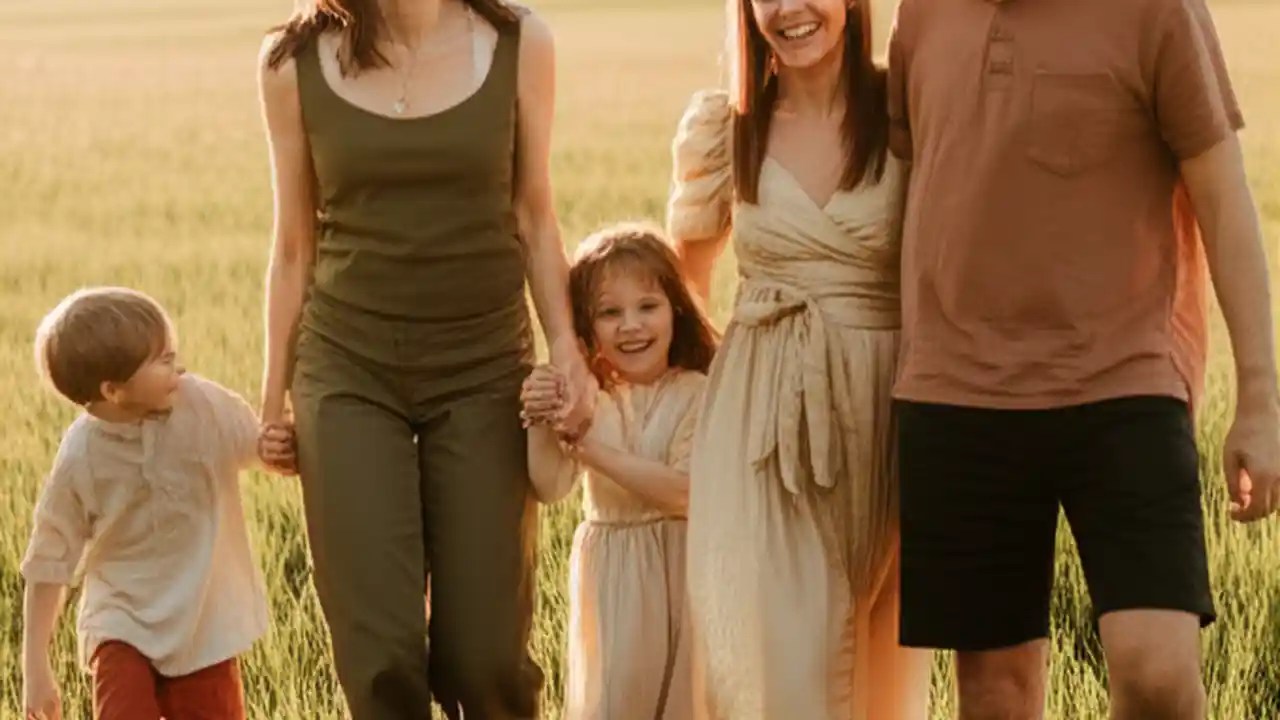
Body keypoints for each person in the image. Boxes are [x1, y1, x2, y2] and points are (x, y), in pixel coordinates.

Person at [886, 0, 1280, 717]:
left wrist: (1259, 399)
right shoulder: (920, 14)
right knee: (995, 696)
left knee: (1159, 679)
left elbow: (1225, 202)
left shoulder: (1160, 11)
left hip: (1125, 386)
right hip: (956, 397)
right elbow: (907, 187)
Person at [256, 0, 594, 716]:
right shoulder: (292, 63)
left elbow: (535, 215)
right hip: (347, 366)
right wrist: (272, 400)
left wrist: (565, 345)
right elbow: (292, 248)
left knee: (486, 657)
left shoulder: (519, 42)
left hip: (484, 365)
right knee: (380, 659)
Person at [665, 0, 932, 716]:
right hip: (761, 429)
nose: (790, 10)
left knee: (871, 673)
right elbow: (688, 288)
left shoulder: (904, 111)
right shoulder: (727, 128)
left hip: (884, 419)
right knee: (785, 669)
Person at [20, 286, 292, 720]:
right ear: (113, 391)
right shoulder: (81, 456)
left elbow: (256, 445)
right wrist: (35, 668)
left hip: (203, 622)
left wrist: (277, 450)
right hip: (121, 621)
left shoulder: (203, 405)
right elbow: (49, 561)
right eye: (164, 360)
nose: (179, 368)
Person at [521, 223, 717, 719]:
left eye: (647, 306)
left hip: (685, 578)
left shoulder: (698, 393)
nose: (631, 326)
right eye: (610, 313)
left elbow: (685, 492)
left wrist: (587, 448)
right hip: (612, 581)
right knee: (617, 698)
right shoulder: (589, 397)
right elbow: (549, 485)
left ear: (676, 309)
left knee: (687, 702)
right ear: (586, 327)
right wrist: (541, 416)